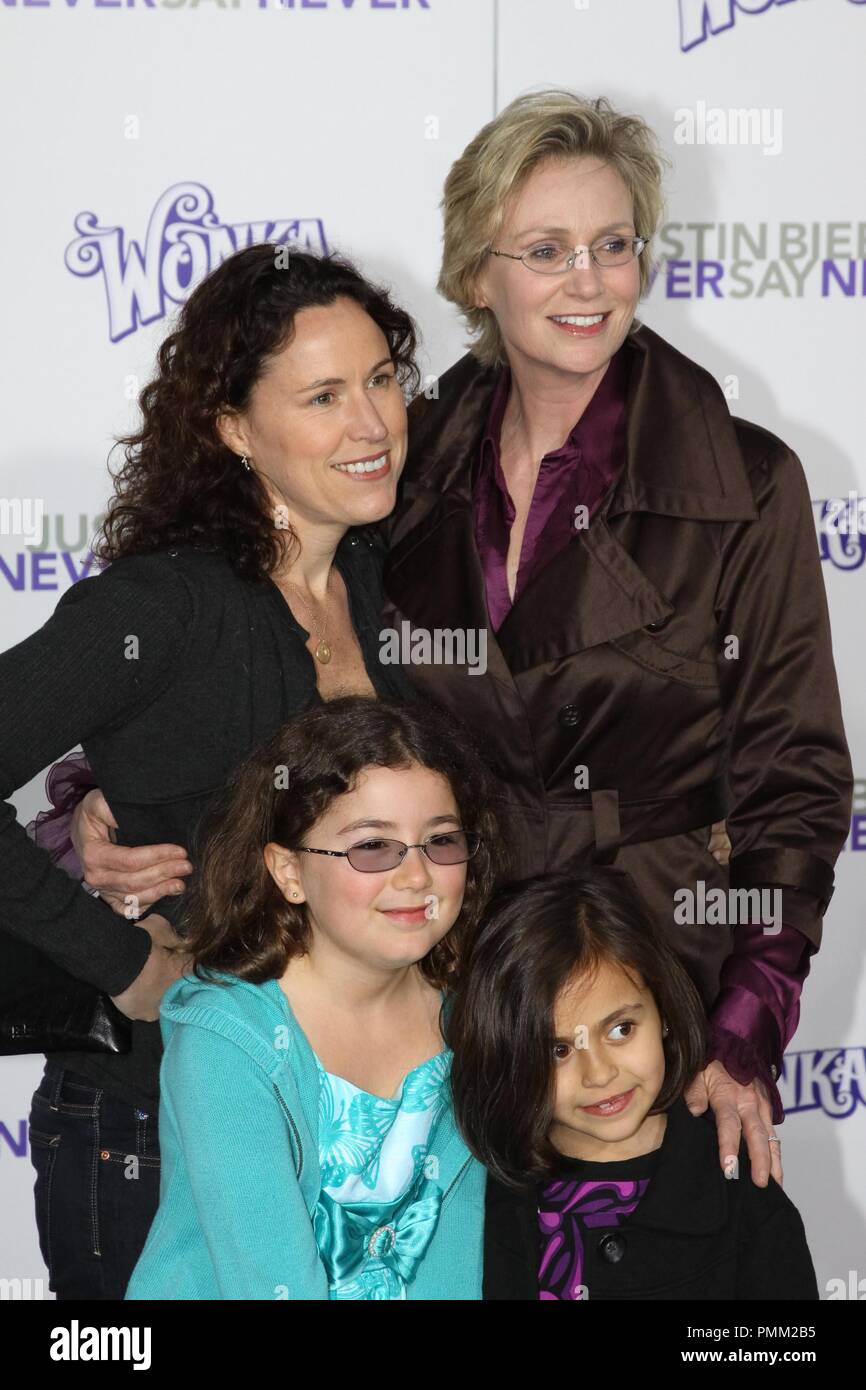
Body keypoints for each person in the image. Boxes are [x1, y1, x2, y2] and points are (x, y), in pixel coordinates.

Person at [41, 90, 853, 1192]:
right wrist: (101, 793)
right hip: (442, 1005)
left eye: (613, 245)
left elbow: (793, 785)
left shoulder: (745, 481)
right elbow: (294, 681)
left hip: (648, 999)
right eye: (545, 248)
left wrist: (743, 1030)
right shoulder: (407, 467)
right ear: (478, 273)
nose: (586, 279)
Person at [9, 243, 421, 1298]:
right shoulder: (164, 608)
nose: (370, 423)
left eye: (380, 378)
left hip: (345, 1123)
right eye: (322, 395)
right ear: (233, 429)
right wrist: (121, 962)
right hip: (153, 1127)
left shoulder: (383, 580)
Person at [125, 695, 504, 1300]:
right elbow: (267, 1283)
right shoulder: (224, 1041)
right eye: (372, 847)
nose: (416, 876)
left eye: (441, 841)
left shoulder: (477, 1012)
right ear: (289, 872)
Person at [448, 871, 819, 1300]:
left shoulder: (745, 1207)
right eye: (559, 1050)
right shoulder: (484, 1201)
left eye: (621, 1029)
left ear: (663, 1009)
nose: (600, 1074)